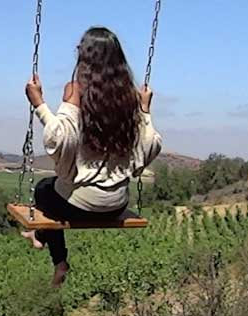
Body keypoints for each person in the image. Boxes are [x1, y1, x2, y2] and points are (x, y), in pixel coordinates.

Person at [21, 26, 162, 286]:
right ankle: (38, 236)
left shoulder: (75, 91)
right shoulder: (130, 98)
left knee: (43, 190)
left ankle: (58, 259)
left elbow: (60, 138)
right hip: (116, 205)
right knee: (54, 193)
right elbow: (150, 145)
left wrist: (39, 105)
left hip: (78, 207)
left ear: (84, 57)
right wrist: (145, 109)